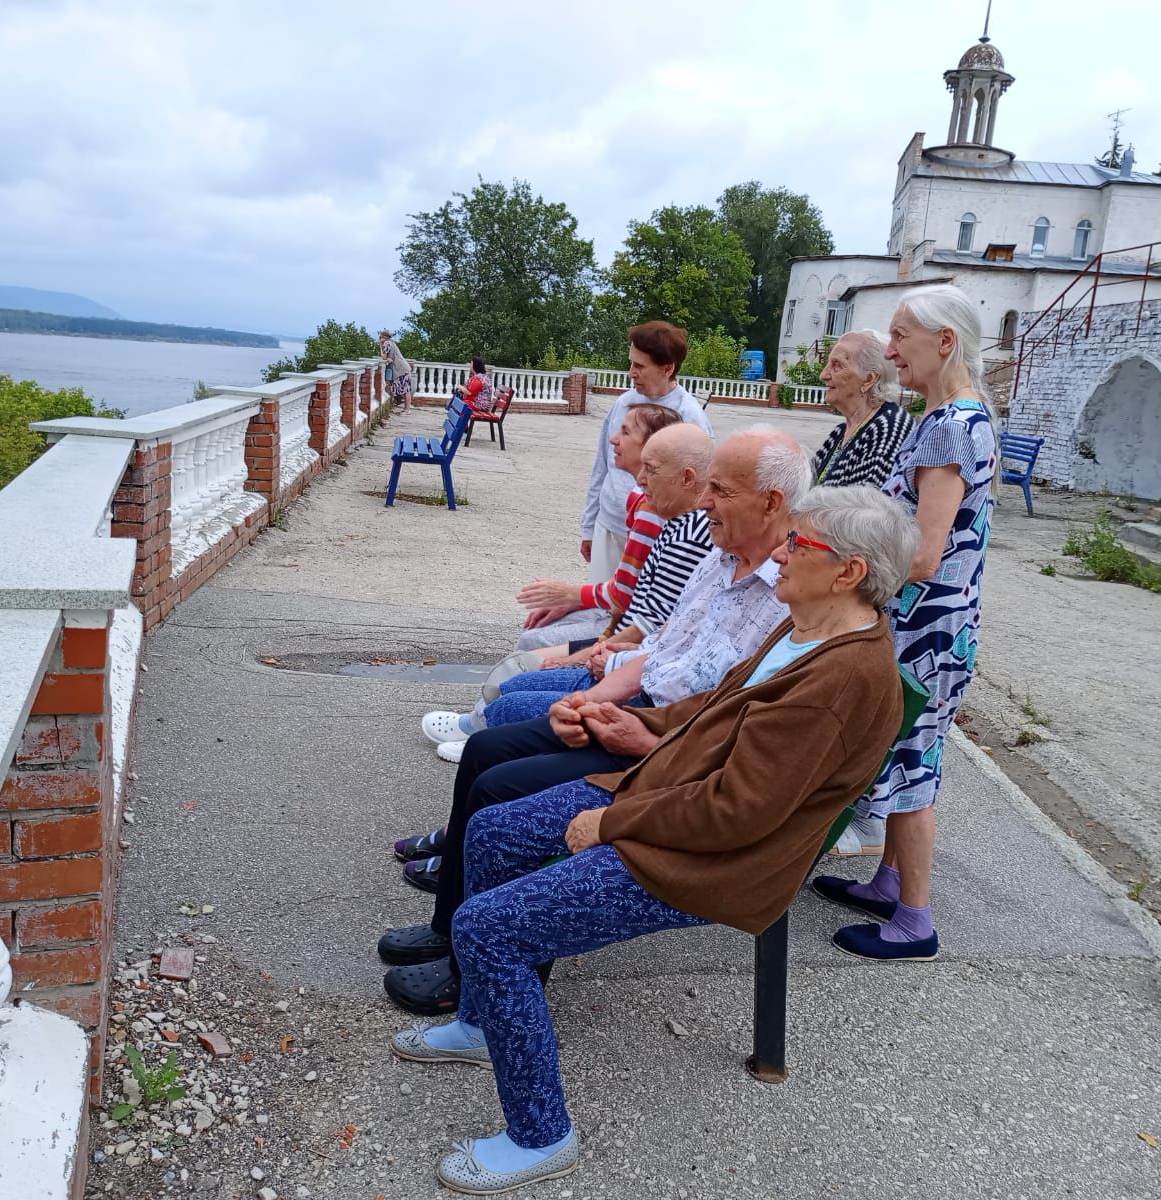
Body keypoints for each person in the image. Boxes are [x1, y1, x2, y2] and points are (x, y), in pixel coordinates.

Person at [389, 485, 918, 1194]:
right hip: (670, 799)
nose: (782, 553)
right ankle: (485, 1024)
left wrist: (611, 822)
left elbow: (737, 815)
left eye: (800, 544)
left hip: (712, 859)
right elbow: (720, 706)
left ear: (849, 571)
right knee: (489, 831)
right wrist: (642, 727)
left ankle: (541, 1135)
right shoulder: (807, 625)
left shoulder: (840, 678)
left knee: (488, 929)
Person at [381, 429, 808, 1012]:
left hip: (668, 748)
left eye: (720, 490)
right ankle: (449, 924)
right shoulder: (721, 557)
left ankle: (470, 972)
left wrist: (644, 733)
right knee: (484, 751)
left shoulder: (792, 597)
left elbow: (736, 723)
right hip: (634, 715)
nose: (704, 500)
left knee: (498, 788)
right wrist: (591, 701)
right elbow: (658, 653)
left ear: (772, 503)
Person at [813, 282, 999, 962]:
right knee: (904, 753)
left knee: (914, 766)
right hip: (939, 627)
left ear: (943, 341)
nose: (889, 352)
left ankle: (914, 920)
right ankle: (889, 881)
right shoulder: (950, 416)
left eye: (900, 338)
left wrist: (853, 588)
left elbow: (923, 553)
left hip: (927, 630)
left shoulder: (950, 425)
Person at [417, 423, 715, 766]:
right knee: (526, 664)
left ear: (687, 478)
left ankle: (484, 734)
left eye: (651, 468)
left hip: (636, 671)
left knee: (523, 675)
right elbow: (642, 610)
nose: (642, 477)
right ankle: (480, 729)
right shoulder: (675, 519)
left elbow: (648, 623)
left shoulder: (689, 532)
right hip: (625, 653)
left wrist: (588, 644)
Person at [813, 328, 914, 858]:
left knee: (860, 702)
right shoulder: (842, 432)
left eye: (838, 364)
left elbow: (867, 517)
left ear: (870, 378)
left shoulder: (890, 430)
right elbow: (808, 495)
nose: (826, 374)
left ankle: (869, 817)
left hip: (860, 583)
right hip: (827, 577)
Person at [509, 405, 687, 652]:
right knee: (543, 628)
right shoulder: (641, 497)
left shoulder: (652, 508)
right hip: (626, 617)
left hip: (631, 628)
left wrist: (569, 595)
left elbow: (625, 595)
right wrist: (572, 600)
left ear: (651, 447)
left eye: (625, 433)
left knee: (533, 641)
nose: (614, 439)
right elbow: (627, 583)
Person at [580, 322, 712, 583]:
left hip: (656, 536)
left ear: (667, 368)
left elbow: (699, 488)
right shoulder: (623, 403)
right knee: (602, 614)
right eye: (631, 363)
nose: (631, 372)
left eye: (640, 366)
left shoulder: (690, 417)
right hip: (611, 525)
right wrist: (590, 525)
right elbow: (602, 466)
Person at [379, 330, 415, 405]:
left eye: (381, 336)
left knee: (405, 390)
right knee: (404, 390)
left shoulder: (387, 343)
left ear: (384, 337)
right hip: (403, 368)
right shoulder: (391, 343)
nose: (380, 337)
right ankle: (406, 409)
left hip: (401, 369)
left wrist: (380, 345)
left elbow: (384, 356)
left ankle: (407, 410)